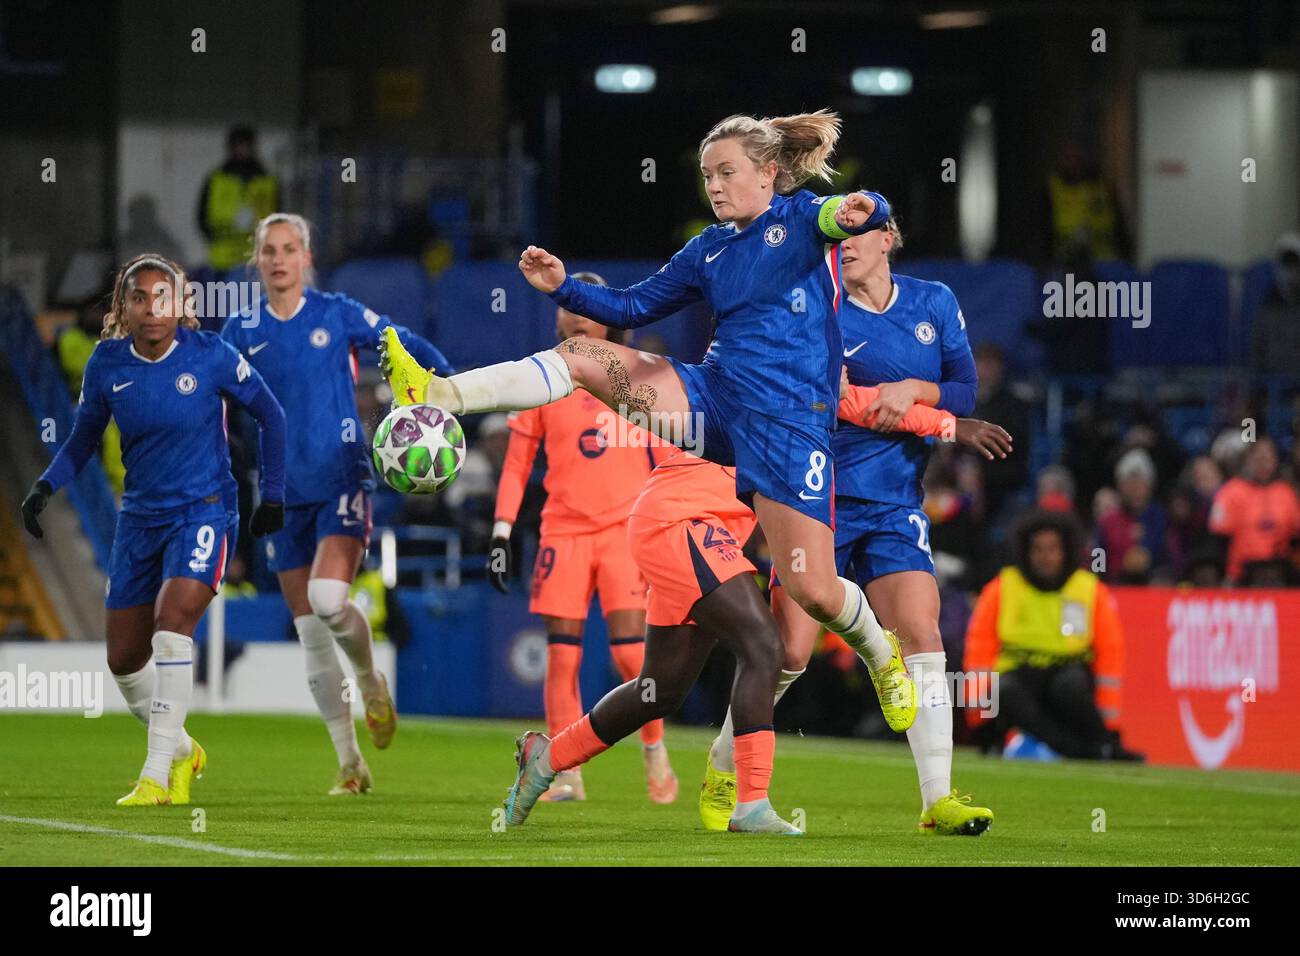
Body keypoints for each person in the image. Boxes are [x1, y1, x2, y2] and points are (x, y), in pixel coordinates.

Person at [381, 110, 919, 740]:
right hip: (715, 399)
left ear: (769, 174)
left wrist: (866, 205)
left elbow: (853, 214)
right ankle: (439, 390)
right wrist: (563, 288)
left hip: (792, 426)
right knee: (582, 355)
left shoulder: (802, 219)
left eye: (727, 173)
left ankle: (881, 653)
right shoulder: (708, 249)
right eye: (706, 176)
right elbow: (632, 306)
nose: (714, 186)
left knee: (816, 594)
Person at [705, 218, 1009, 836]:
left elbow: (966, 390)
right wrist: (937, 422)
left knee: (922, 631)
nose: (843, 248)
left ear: (890, 237)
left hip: (896, 502)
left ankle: (938, 800)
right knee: (788, 651)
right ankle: (722, 759)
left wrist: (914, 389)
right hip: (818, 497)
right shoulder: (819, 309)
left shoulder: (934, 301)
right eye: (835, 240)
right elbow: (839, 402)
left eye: (858, 236)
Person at [20, 253, 286, 805]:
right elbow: (83, 438)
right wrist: (46, 485)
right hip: (139, 520)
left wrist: (274, 495)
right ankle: (185, 749)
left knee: (171, 626)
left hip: (205, 510)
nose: (151, 308)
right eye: (139, 297)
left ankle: (156, 777)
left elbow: (272, 414)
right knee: (123, 661)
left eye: (162, 296)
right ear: (124, 307)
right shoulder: (106, 365)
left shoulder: (211, 355)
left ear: (181, 304)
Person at [222, 212, 451, 795]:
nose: (278, 259)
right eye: (269, 250)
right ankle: (351, 765)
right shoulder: (241, 330)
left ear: (306, 258)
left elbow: (400, 342)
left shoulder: (337, 313)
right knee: (310, 631)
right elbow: (212, 395)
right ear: (257, 260)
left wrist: (448, 385)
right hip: (277, 493)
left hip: (341, 478)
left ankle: (371, 680)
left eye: (290, 248)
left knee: (328, 600)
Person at [503, 451, 798, 833]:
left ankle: (545, 759)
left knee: (657, 691)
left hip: (690, 521)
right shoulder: (776, 400)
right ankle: (752, 803)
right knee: (764, 647)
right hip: (682, 519)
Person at [489, 273, 677, 804]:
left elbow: (669, 458)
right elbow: (517, 464)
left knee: (628, 657)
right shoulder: (540, 382)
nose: (573, 317)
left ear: (606, 319)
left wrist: (670, 525)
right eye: (565, 309)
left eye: (584, 309)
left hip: (625, 532)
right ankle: (565, 772)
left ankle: (653, 747)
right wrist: (502, 531)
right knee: (563, 657)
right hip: (563, 533)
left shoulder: (637, 378)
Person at [963, 510, 1142, 761]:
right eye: (1038, 549)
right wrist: (979, 718)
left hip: (1069, 675)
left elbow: (1109, 656)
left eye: (1052, 549)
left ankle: (1103, 743)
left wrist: (1110, 726)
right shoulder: (1001, 588)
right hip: (1018, 677)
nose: (1045, 558)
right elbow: (978, 652)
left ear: (1066, 550)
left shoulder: (1089, 590)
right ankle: (1088, 752)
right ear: (1026, 552)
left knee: (1068, 686)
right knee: (1004, 690)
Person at [1208, 437, 1300, 584]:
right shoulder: (1231, 491)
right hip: (1242, 574)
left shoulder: (1285, 493)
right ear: (1248, 460)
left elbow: (1295, 537)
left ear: (1275, 460)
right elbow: (1218, 540)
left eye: (1268, 457)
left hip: (1279, 571)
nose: (1263, 463)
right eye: (1258, 457)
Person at [196, 125, 279, 274]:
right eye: (239, 145)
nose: (243, 150)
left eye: (246, 146)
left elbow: (278, 217)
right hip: (222, 259)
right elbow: (202, 216)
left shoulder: (268, 181)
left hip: (256, 258)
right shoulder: (216, 179)